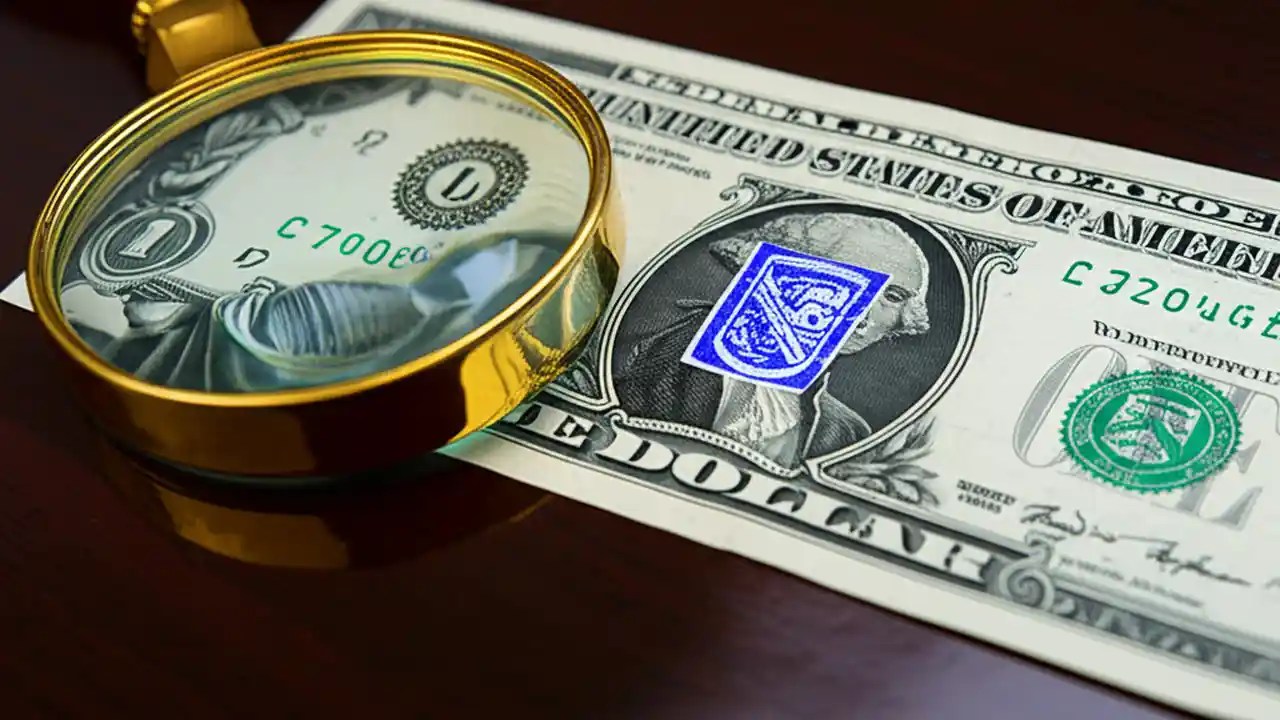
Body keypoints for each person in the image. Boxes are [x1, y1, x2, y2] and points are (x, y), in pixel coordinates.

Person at [614, 211, 932, 471]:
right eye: (843, 280)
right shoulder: (646, 357)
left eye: (892, 297)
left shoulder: (844, 433)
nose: (861, 313)